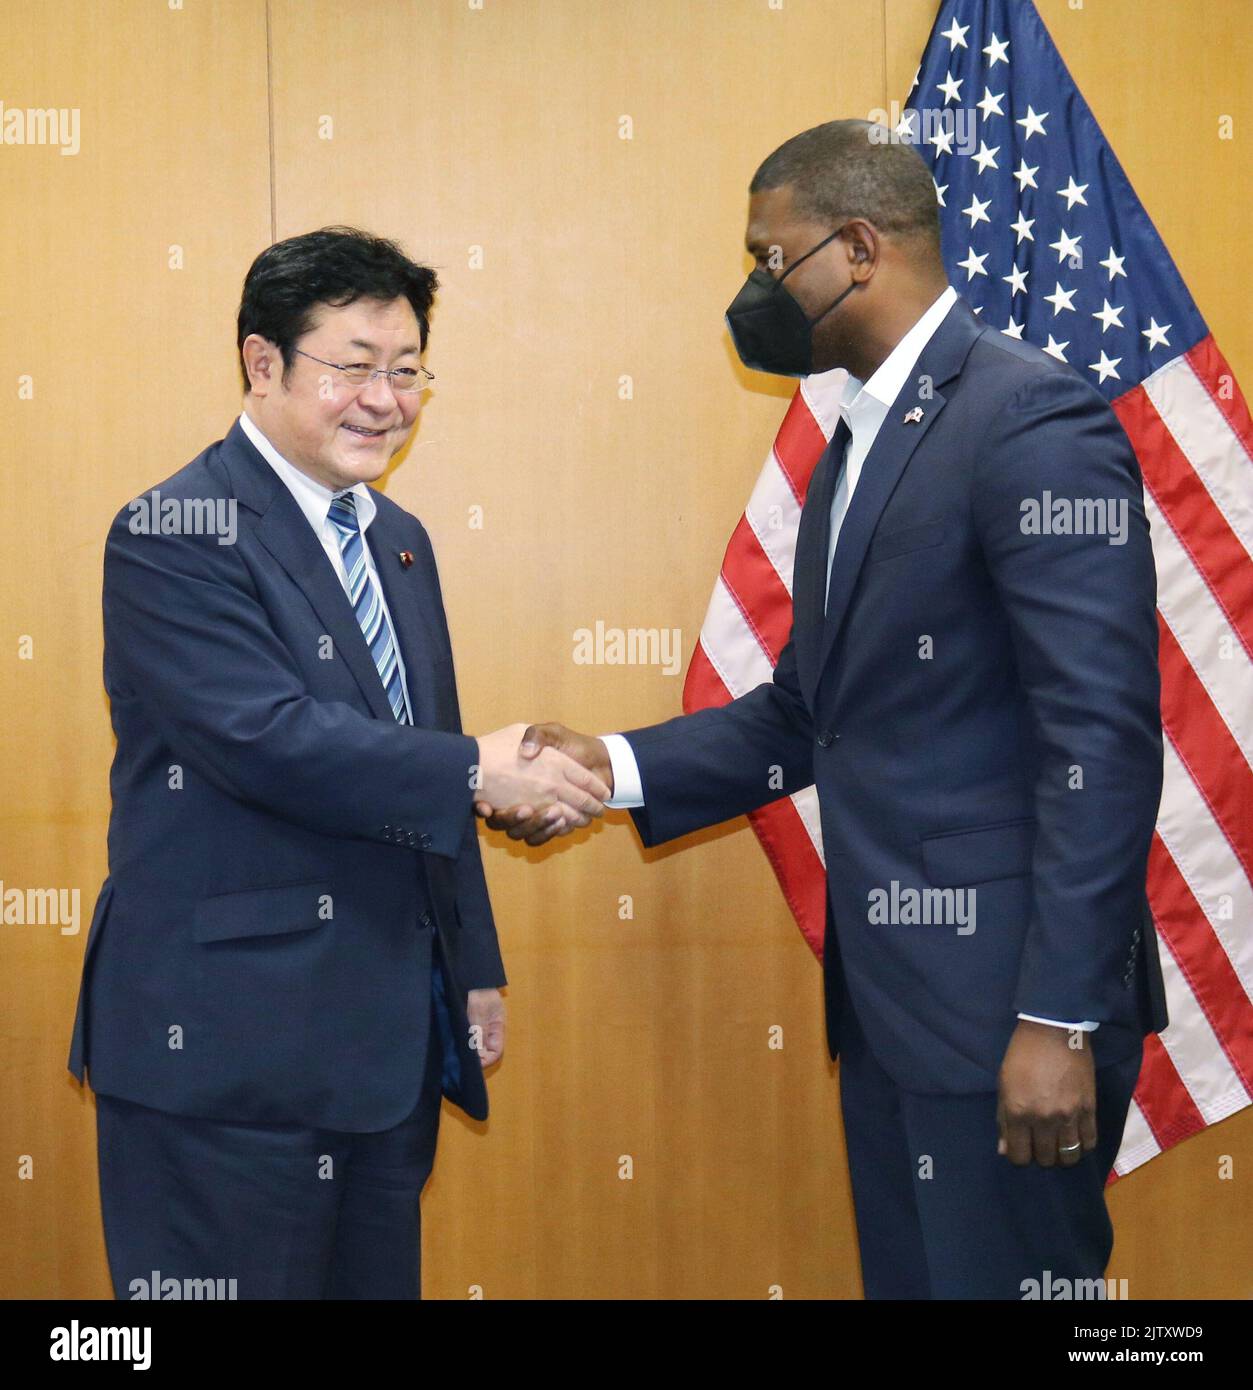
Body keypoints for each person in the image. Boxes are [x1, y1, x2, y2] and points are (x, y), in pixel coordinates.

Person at [478, 122, 1168, 1300]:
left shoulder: (1026, 421)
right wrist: (612, 764)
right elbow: (812, 710)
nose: (753, 288)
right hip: (896, 1011)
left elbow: (1097, 740)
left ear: (855, 249)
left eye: (767, 257)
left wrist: (1055, 1018)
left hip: (1009, 1011)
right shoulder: (852, 449)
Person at [68, 226, 609, 1300]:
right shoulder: (175, 528)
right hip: (224, 1056)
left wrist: (471, 963)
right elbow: (263, 740)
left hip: (379, 1046)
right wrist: (475, 769)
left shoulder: (395, 536)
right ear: (262, 365)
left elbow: (416, 750)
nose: (386, 399)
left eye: (407, 370)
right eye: (353, 366)